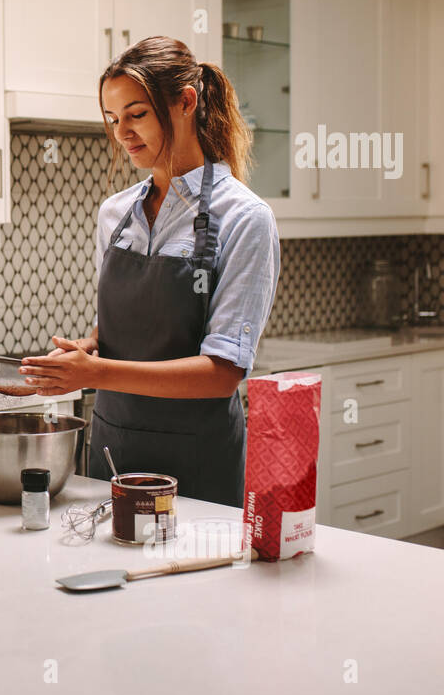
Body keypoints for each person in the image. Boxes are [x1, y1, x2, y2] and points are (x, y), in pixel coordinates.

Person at [20, 36, 280, 506]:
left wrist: (95, 372)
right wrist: (93, 342)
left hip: (198, 462)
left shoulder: (245, 217)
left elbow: (222, 372)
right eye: (112, 119)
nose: (122, 132)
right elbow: (136, 316)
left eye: (136, 114)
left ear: (186, 102)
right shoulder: (114, 213)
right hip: (114, 452)